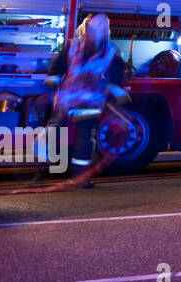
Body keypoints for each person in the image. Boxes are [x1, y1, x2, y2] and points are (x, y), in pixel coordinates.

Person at [47, 14, 126, 177]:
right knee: (82, 135)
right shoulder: (110, 53)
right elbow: (115, 79)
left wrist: (52, 90)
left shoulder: (72, 47)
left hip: (69, 100)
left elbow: (56, 70)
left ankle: (57, 165)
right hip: (88, 103)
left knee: (58, 131)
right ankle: (77, 173)